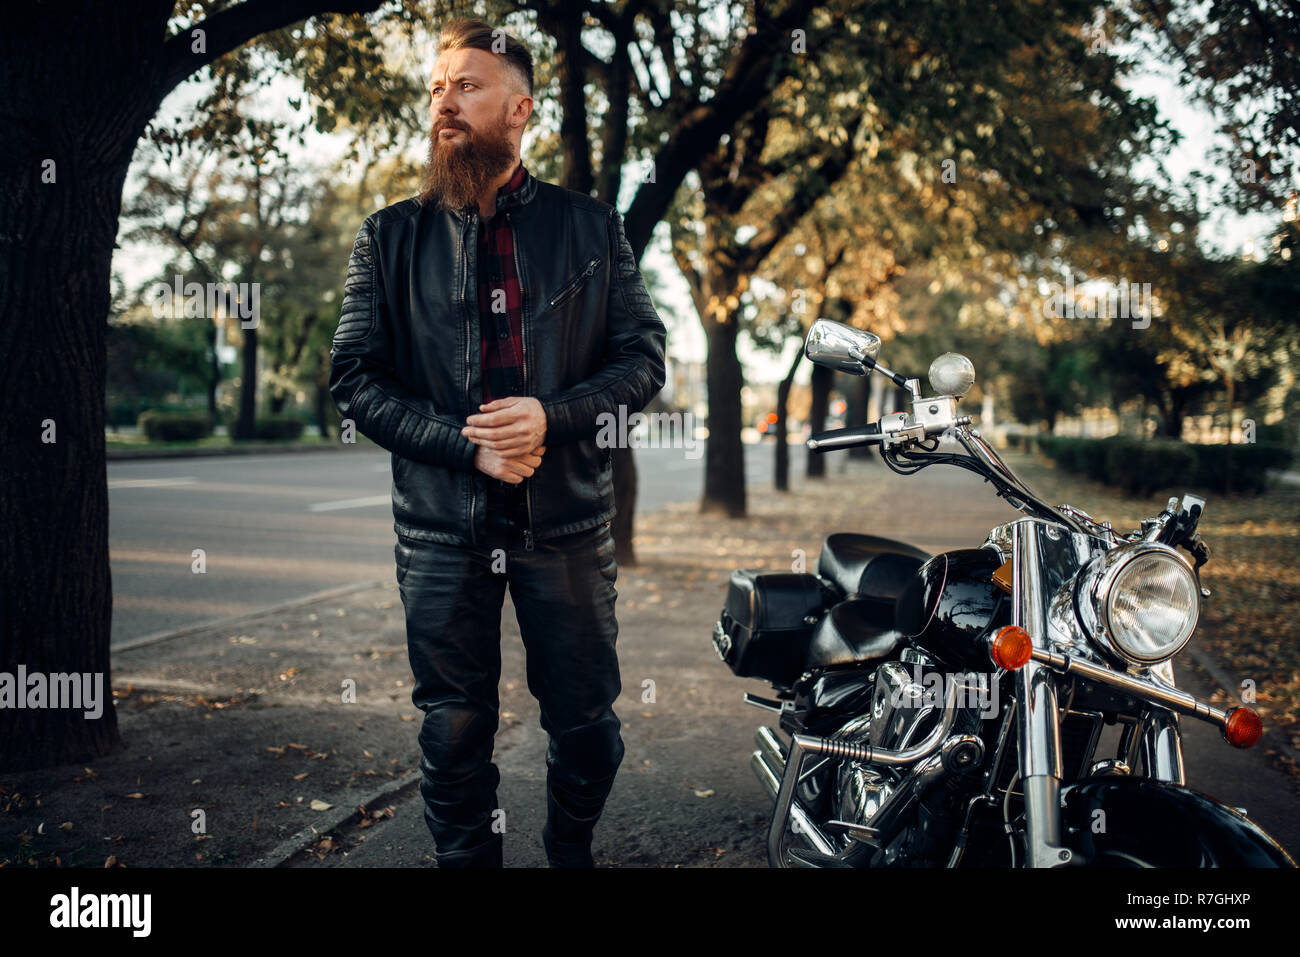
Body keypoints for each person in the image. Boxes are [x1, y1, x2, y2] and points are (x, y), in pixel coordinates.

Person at [328, 17, 666, 868]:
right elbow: (355, 379)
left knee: (588, 728)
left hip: (566, 529)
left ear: (518, 111)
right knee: (453, 729)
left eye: (466, 85)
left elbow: (644, 356)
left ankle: (568, 851)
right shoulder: (388, 236)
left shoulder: (591, 228)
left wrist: (551, 415)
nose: (444, 101)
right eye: (437, 87)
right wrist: (463, 444)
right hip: (443, 530)